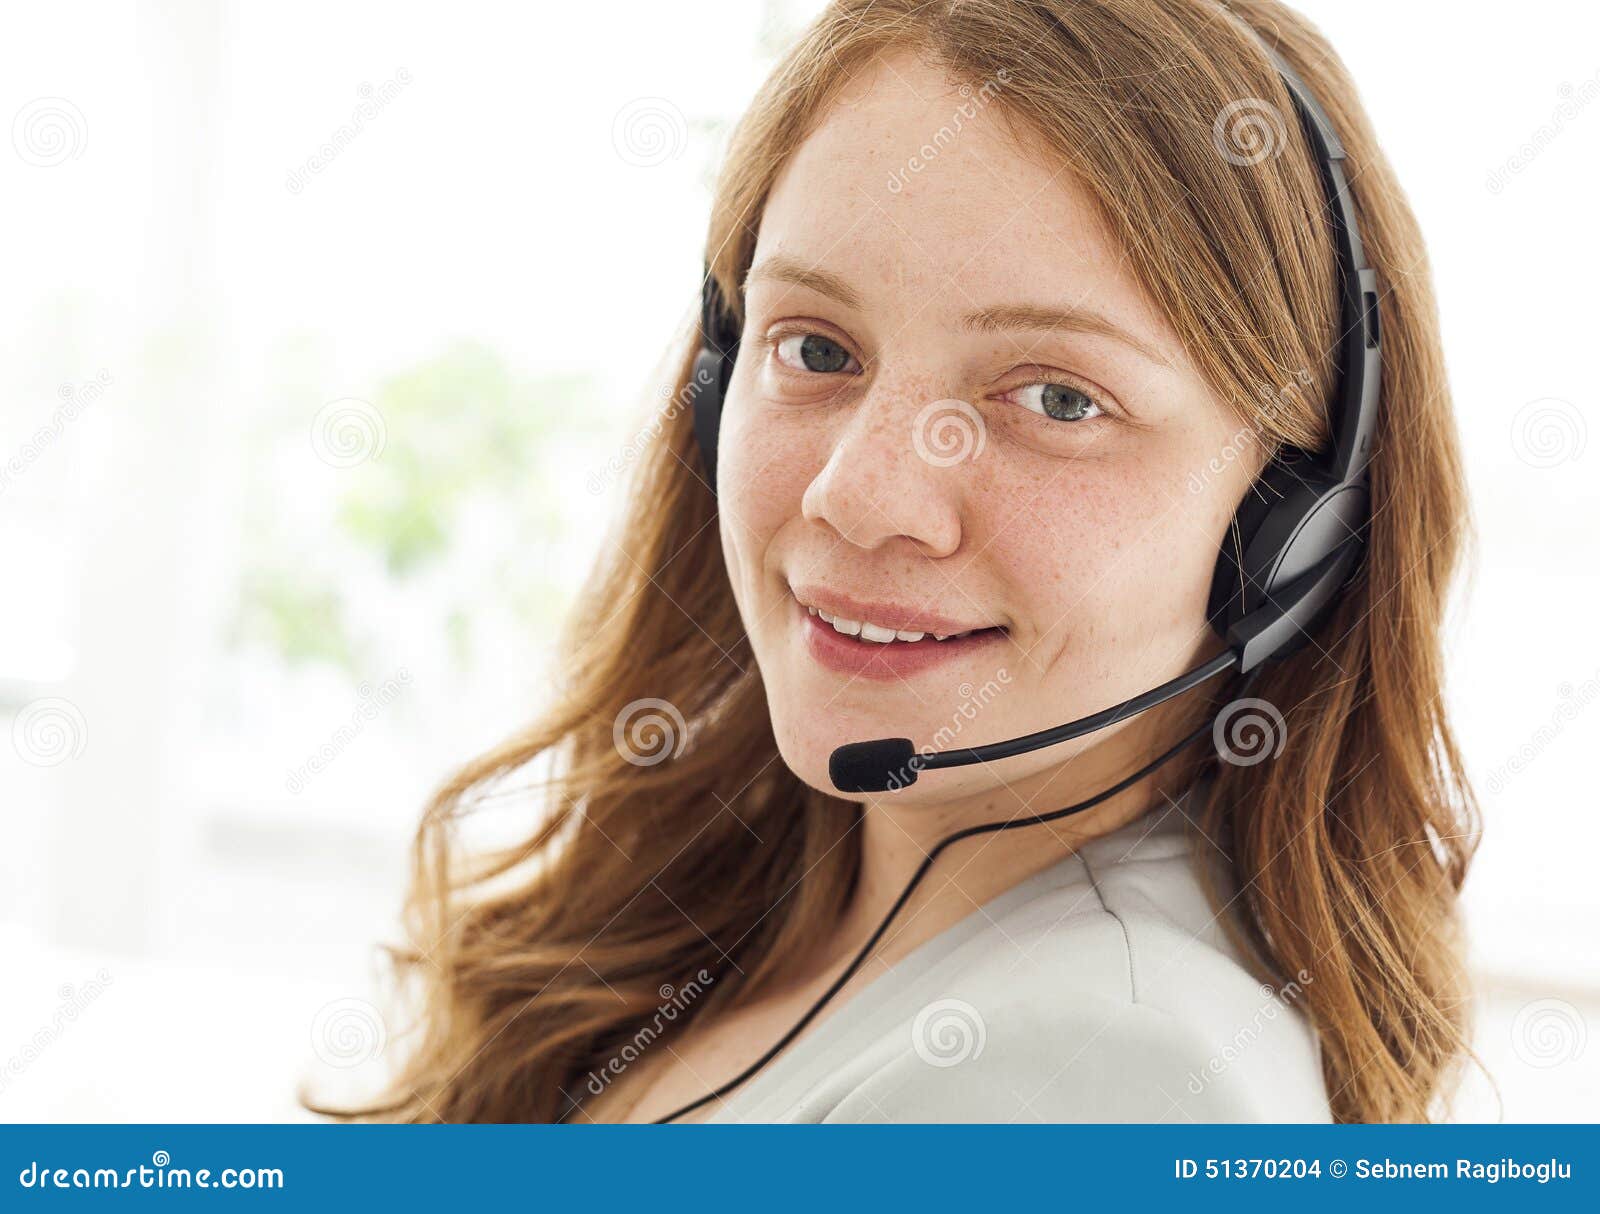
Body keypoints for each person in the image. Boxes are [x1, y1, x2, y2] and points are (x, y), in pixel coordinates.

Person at [327, 0, 1479, 1125]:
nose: (858, 495)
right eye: (816, 347)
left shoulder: (1085, 1082)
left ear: (1289, 513)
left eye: (1056, 397)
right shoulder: (760, 901)